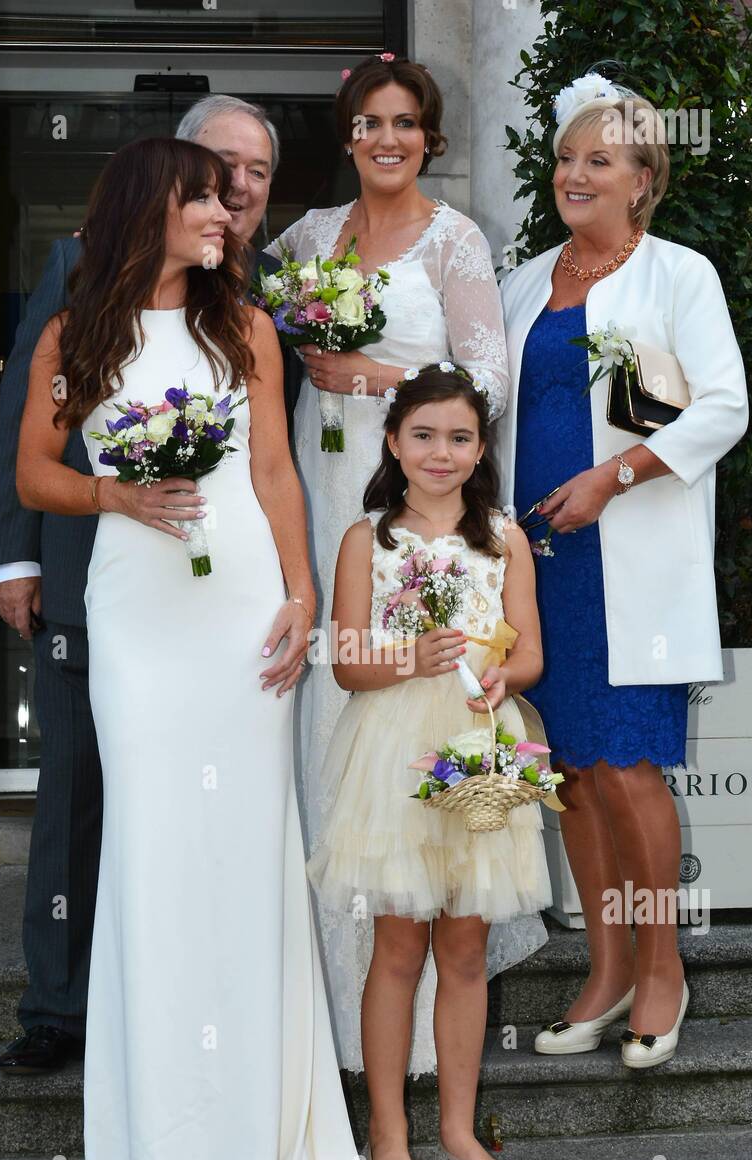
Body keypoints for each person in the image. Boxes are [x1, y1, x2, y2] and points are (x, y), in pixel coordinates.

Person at [14, 135, 387, 1160]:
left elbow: (271, 467)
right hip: (137, 613)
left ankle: (259, 1134)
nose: (222, 216)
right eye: (200, 201)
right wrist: (113, 500)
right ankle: (160, 1145)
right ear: (147, 208)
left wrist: (303, 595)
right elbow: (38, 469)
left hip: (238, 615)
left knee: (243, 849)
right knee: (153, 847)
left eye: (225, 203)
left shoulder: (248, 329)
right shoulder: (74, 332)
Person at [0, 94, 298, 1074]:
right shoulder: (77, 281)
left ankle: (220, 1010)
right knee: (80, 791)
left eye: (250, 173)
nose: (233, 189)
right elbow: (23, 439)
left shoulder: (271, 294)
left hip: (232, 585)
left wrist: (305, 586)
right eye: (212, 170)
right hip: (102, 577)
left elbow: (274, 462)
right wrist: (14, 554)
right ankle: (65, 1010)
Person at [264, 54, 545, 1076]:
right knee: (337, 728)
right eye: (369, 122)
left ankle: (428, 1052)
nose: (387, 137)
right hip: (327, 502)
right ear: (345, 136)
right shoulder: (299, 243)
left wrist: (380, 379)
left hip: (419, 509)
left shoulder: (453, 239)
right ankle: (329, 1034)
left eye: (404, 122)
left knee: (424, 725)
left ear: (428, 136)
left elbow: (488, 384)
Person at [499, 73, 748, 1068]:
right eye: (565, 158)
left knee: (626, 767)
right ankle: (603, 969)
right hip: (540, 564)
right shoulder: (521, 282)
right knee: (570, 771)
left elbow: (721, 407)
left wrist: (615, 475)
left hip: (628, 560)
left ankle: (659, 968)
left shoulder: (677, 275)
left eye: (597, 160)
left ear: (642, 179)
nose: (574, 174)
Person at [306, 363, 552, 1160]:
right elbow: (345, 660)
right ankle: (387, 1136)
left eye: (458, 437)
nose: (440, 453)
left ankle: (456, 1132)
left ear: (481, 448)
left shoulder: (504, 539)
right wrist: (405, 657)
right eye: (423, 436)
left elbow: (528, 652)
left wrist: (502, 680)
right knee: (398, 945)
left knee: (467, 946)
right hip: (392, 753)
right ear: (392, 442)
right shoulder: (365, 540)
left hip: (480, 743)